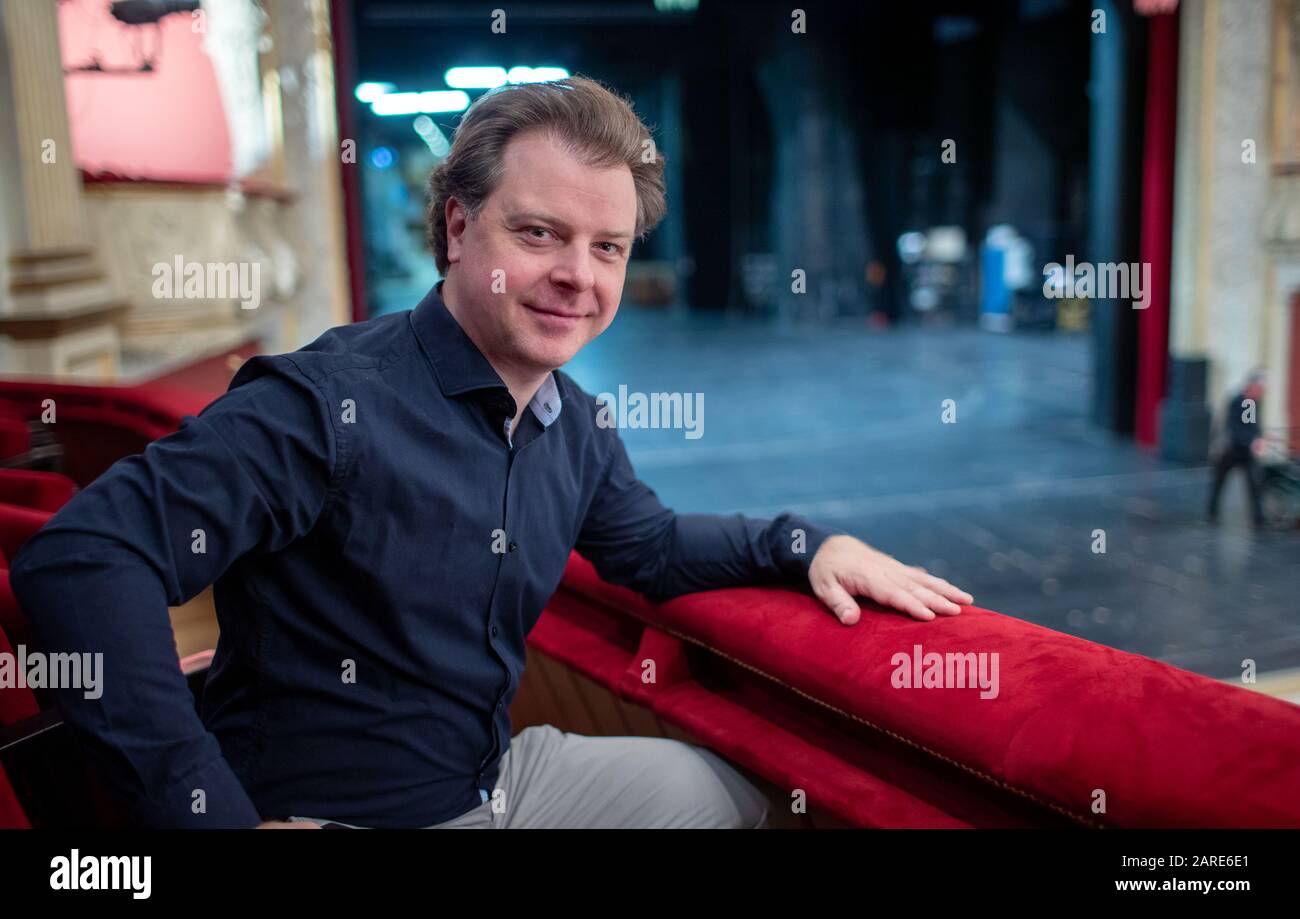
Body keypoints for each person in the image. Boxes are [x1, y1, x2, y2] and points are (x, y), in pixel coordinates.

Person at [9, 76, 973, 830]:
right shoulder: (327, 402)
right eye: (541, 232)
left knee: (721, 796)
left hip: (496, 780)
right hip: (330, 810)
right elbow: (80, 559)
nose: (577, 277)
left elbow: (653, 548)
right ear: (460, 227)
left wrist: (807, 545)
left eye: (608, 247)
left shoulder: (575, 422)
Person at [1207, 371, 1267, 527]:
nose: (1261, 391)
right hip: (1232, 450)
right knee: (1220, 480)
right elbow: (1233, 427)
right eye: (1259, 387)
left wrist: (1259, 438)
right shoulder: (1239, 401)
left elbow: (1253, 426)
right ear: (1251, 385)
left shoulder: (1252, 403)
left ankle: (1258, 516)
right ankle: (1212, 510)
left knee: (1254, 482)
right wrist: (1251, 441)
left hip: (1246, 451)